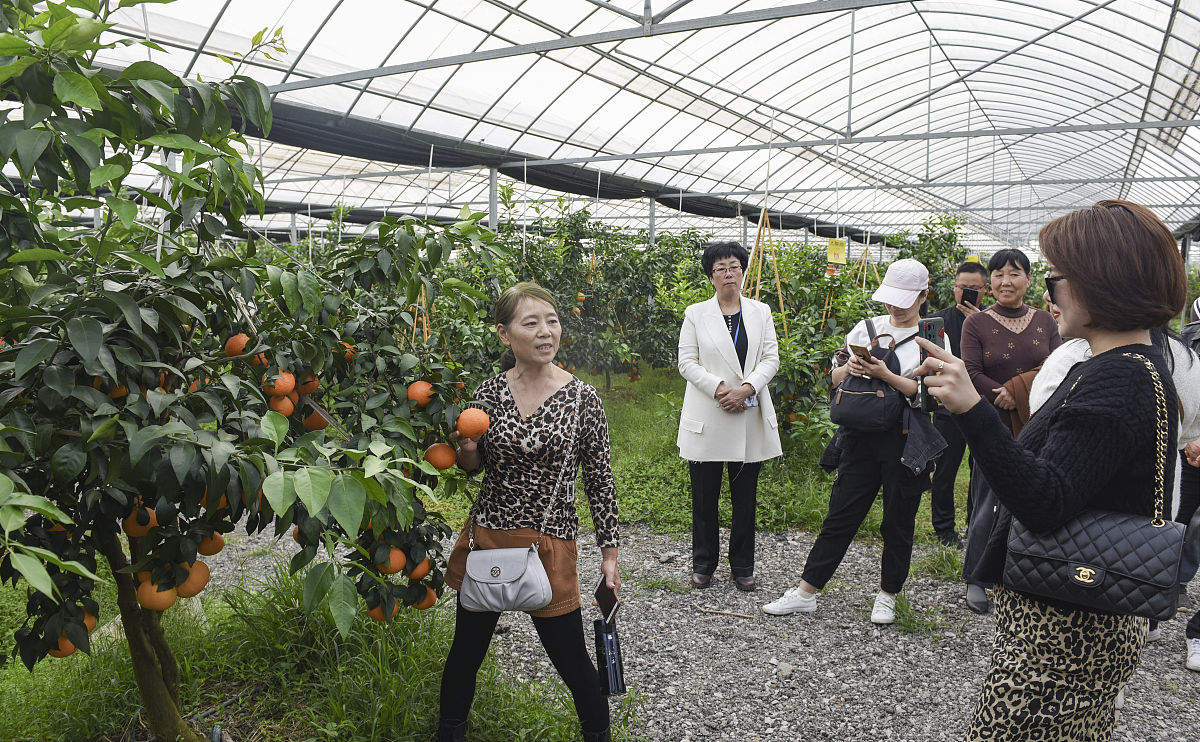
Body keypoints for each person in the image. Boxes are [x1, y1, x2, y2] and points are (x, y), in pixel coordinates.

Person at [918, 199, 1187, 741]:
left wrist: (972, 410)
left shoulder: (1119, 378)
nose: (1047, 294)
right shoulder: (1127, 364)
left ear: (1101, 284)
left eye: (1054, 278)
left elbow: (1045, 500)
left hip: (1064, 629)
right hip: (1083, 610)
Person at [439, 282, 620, 742]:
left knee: (571, 659)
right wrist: (467, 451)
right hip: (490, 538)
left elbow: (600, 479)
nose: (545, 332)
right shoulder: (488, 392)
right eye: (531, 322)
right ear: (504, 334)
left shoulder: (582, 399)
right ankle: (449, 733)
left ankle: (599, 734)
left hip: (549, 543)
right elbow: (474, 466)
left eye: (552, 321)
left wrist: (610, 554)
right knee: (465, 654)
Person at [763, 258, 947, 624]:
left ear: (924, 295)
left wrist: (885, 374)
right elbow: (834, 380)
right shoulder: (867, 328)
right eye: (891, 299)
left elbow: (932, 398)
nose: (895, 307)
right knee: (841, 515)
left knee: (898, 520)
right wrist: (850, 368)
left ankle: (888, 594)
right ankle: (806, 592)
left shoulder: (933, 339)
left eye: (904, 300)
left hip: (905, 439)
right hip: (859, 436)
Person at [959, 249, 1061, 613]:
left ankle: (1022, 572)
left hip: (1036, 421)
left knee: (1033, 498)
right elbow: (970, 371)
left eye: (1014, 274)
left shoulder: (1045, 321)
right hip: (992, 422)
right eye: (999, 275)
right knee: (987, 499)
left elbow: (1058, 365)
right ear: (990, 283)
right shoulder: (976, 323)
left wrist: (1017, 390)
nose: (1006, 281)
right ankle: (977, 577)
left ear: (1028, 280)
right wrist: (1002, 394)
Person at [677, 241, 782, 592]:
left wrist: (747, 388)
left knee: (745, 498)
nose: (728, 273)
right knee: (704, 498)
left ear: (742, 272)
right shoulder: (696, 314)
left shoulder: (760, 312)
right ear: (711, 276)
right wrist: (721, 388)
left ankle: (743, 566)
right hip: (710, 413)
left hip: (747, 413)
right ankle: (703, 563)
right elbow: (686, 362)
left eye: (734, 266)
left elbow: (770, 358)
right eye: (720, 268)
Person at [927, 261, 990, 547]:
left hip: (982, 405)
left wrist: (982, 324)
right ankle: (944, 530)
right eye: (962, 287)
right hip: (947, 406)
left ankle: (976, 525)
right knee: (945, 470)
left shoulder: (992, 321)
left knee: (982, 469)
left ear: (985, 290)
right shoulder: (937, 321)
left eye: (974, 288)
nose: (967, 293)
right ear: (953, 287)